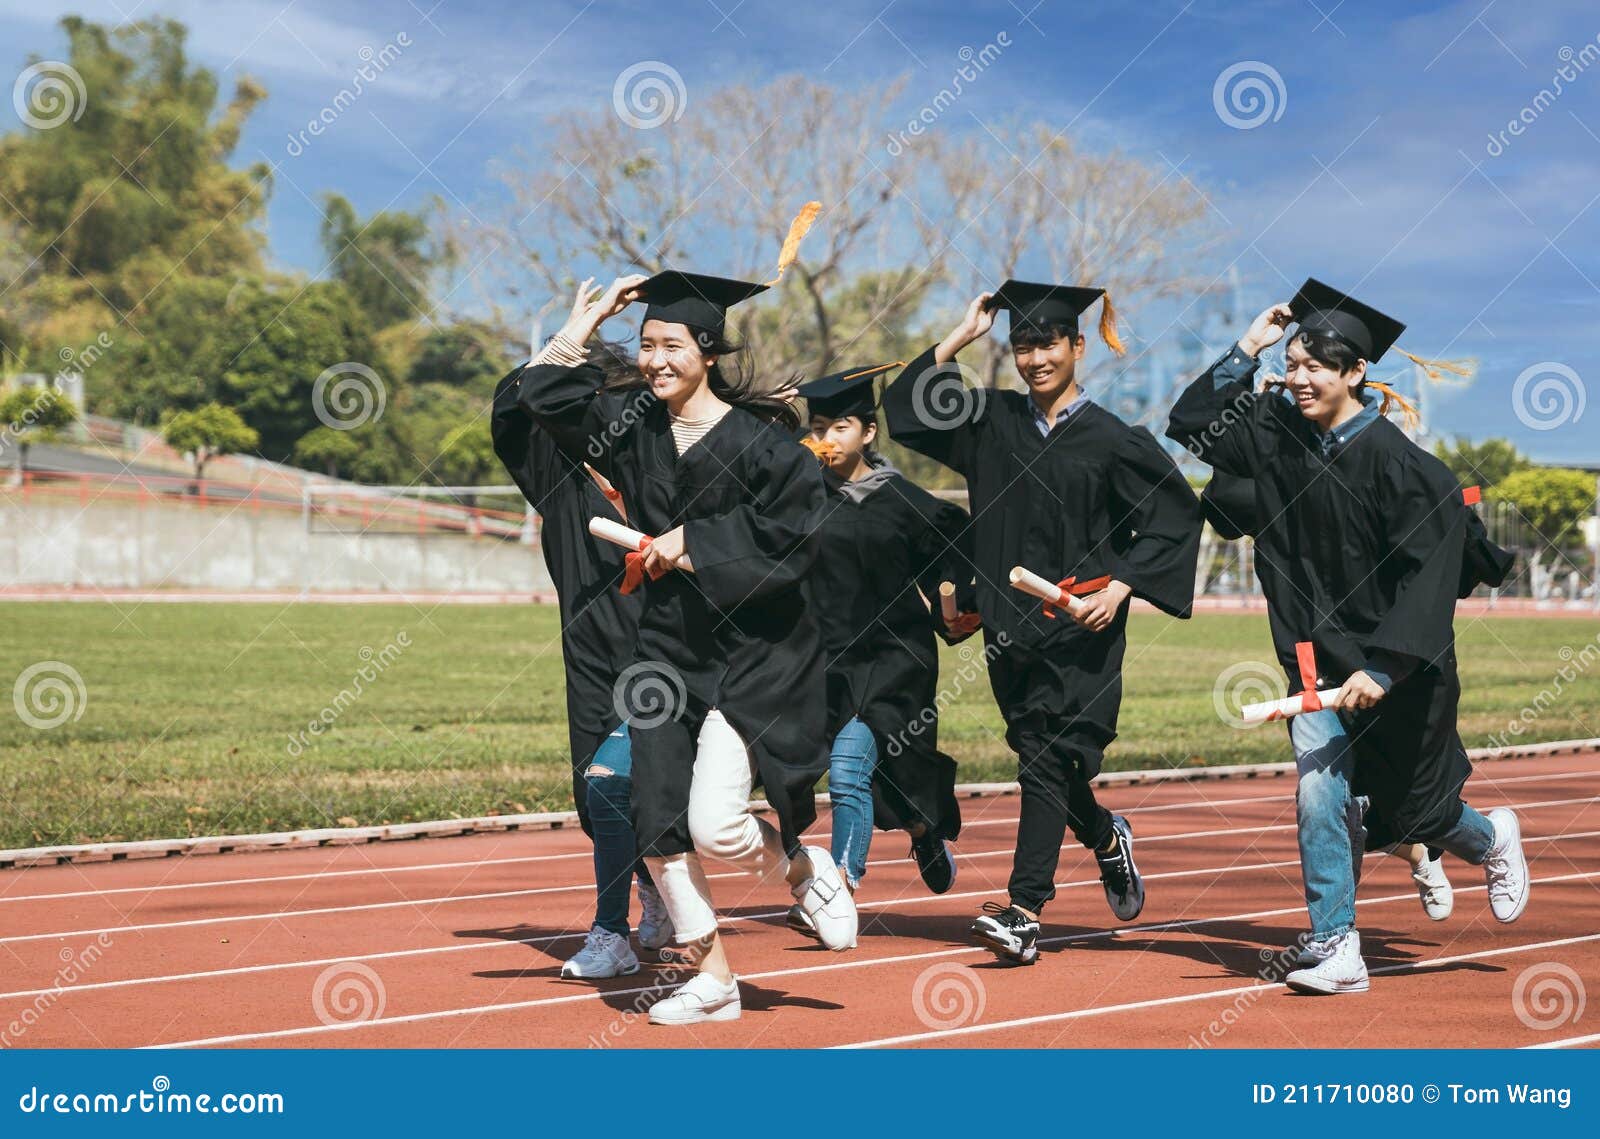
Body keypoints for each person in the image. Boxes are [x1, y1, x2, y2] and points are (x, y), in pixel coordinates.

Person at [517, 247, 858, 1026]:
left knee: (717, 824)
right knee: (654, 811)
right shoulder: (632, 427)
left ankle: (805, 866)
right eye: (646, 343)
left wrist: (697, 541)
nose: (656, 359)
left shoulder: (765, 446)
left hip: (757, 651)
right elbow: (539, 395)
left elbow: (801, 534)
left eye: (673, 345)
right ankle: (714, 977)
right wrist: (584, 325)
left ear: (710, 351)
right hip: (668, 643)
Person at [1166, 278, 1527, 994]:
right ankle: (1336, 944)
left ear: (1355, 372)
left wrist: (1388, 665)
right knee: (1317, 793)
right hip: (1313, 659)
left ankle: (1493, 839)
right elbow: (1193, 421)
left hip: (1400, 668)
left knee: (1412, 814)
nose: (1297, 378)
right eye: (1292, 364)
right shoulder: (1274, 436)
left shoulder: (1404, 466)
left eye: (1314, 366)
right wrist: (1248, 346)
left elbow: (1430, 573)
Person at [883, 280, 1202, 965]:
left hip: (1082, 626)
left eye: (1048, 342)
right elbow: (905, 413)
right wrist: (957, 337)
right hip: (1010, 627)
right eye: (1023, 344)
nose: (1034, 357)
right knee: (1044, 761)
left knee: (1047, 757)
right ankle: (1106, 835)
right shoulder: (988, 423)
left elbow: (1173, 517)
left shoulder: (1116, 440)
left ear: (1077, 346)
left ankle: (1025, 910)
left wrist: (1120, 589)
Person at [490, 309, 672, 980]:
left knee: (615, 786)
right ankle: (653, 894)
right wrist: (568, 340)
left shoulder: (665, 473)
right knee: (596, 799)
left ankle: (611, 929)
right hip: (590, 658)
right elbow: (509, 412)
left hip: (663, 656)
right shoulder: (562, 478)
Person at [785, 364, 980, 939]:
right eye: (817, 427)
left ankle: (838, 892)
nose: (827, 438)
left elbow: (955, 552)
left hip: (895, 660)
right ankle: (923, 827)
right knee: (874, 773)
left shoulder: (901, 500)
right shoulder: (798, 496)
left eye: (840, 426)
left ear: (868, 432)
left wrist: (955, 600)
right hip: (827, 662)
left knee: (848, 769)